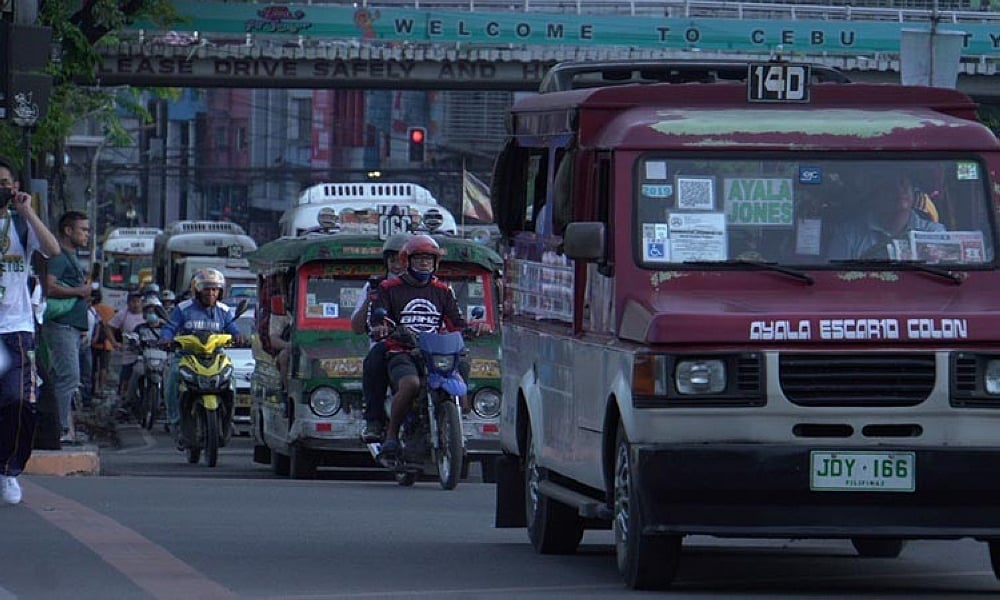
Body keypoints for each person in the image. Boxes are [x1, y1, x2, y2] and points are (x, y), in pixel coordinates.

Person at [368, 235, 490, 458]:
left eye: (428, 259)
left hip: (435, 351)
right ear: (407, 261)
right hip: (402, 350)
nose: (424, 264)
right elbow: (379, 317)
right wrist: (381, 327)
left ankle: (459, 416)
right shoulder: (389, 287)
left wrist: (474, 328)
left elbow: (455, 322)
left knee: (462, 360)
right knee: (410, 384)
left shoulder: (443, 290)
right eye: (419, 259)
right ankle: (391, 436)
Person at [0, 156, 60, 505]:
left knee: (18, 400)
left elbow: (52, 250)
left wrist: (28, 213)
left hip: (15, 327)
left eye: (5, 181)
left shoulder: (20, 225)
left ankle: (8, 471)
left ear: (15, 187)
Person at [160, 268, 242, 449]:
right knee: (173, 377)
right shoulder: (183, 309)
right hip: (187, 356)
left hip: (216, 356)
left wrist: (239, 336)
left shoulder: (224, 310)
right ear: (197, 290)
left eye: (215, 289)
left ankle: (229, 419)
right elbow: (169, 328)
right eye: (207, 289)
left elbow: (233, 328)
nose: (211, 293)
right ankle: (175, 423)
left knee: (231, 382)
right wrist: (166, 338)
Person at [41, 211, 92, 445]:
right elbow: (50, 288)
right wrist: (79, 291)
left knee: (59, 378)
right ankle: (60, 429)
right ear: (68, 230)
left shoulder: (71, 256)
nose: (87, 234)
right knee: (68, 377)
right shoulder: (59, 257)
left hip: (72, 327)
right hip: (62, 326)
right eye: (83, 229)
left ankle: (53, 425)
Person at [353, 233, 409, 443]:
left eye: (402, 259)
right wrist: (370, 301)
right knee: (375, 359)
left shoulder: (431, 285)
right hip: (390, 344)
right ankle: (374, 421)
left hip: (422, 344)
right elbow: (357, 327)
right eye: (392, 260)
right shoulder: (375, 287)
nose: (397, 265)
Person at [826, 172, 945, 260]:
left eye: (904, 185)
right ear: (874, 196)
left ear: (914, 193)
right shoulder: (848, 235)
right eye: (889, 187)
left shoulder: (933, 233)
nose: (899, 191)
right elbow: (835, 279)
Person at [121, 296, 164, 413]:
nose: (151, 314)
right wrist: (133, 342)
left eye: (154, 311)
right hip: (143, 359)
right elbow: (134, 337)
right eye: (148, 312)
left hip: (163, 359)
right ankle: (128, 402)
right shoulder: (140, 328)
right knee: (136, 373)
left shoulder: (166, 328)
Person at [108, 290, 145, 401]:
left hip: (146, 352)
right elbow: (109, 327)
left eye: (138, 301)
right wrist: (114, 342)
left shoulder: (148, 313)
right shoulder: (123, 314)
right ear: (128, 303)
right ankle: (123, 401)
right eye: (133, 301)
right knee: (126, 380)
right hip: (129, 353)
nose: (136, 304)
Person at [89, 289, 116, 398]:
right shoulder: (110, 309)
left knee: (93, 367)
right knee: (104, 367)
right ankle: (102, 389)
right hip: (107, 343)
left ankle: (93, 388)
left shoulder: (91, 309)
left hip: (93, 342)